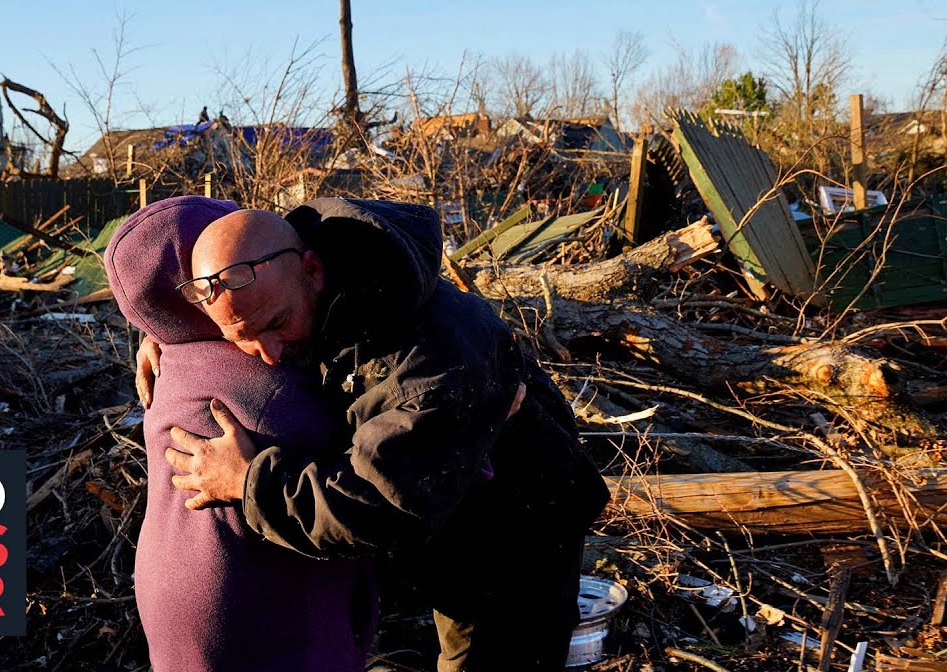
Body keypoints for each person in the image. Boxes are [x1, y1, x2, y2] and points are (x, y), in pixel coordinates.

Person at [139, 198, 609, 671]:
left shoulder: (428, 365)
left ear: (313, 270)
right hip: (450, 514)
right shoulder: (307, 269)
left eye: (277, 324)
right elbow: (238, 281)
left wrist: (247, 482)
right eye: (238, 336)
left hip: (513, 543)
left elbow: (379, 504)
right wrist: (163, 335)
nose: (267, 354)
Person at [104, 196, 374, 672]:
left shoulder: (171, 363)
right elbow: (379, 490)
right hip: (257, 617)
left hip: (171, 596)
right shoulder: (276, 390)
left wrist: (156, 334)